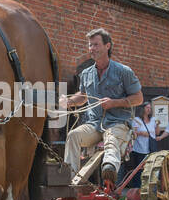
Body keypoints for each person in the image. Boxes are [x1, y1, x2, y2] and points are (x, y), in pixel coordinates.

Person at [59, 28, 143, 186]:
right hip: (94, 124)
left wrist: (114, 103)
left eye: (96, 45)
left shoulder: (123, 72)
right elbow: (83, 97)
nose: (92, 49)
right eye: (90, 45)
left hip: (118, 122)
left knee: (111, 139)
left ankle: (109, 169)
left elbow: (138, 98)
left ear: (107, 46)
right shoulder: (86, 73)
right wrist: (69, 101)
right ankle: (69, 182)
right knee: (73, 136)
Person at [123, 101, 161, 182]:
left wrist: (157, 125)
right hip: (140, 149)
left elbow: (157, 133)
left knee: (150, 168)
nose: (149, 109)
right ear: (142, 109)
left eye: (150, 108)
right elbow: (134, 134)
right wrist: (141, 133)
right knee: (139, 169)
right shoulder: (137, 120)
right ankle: (137, 188)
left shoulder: (153, 119)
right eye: (147, 107)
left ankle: (147, 187)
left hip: (150, 149)